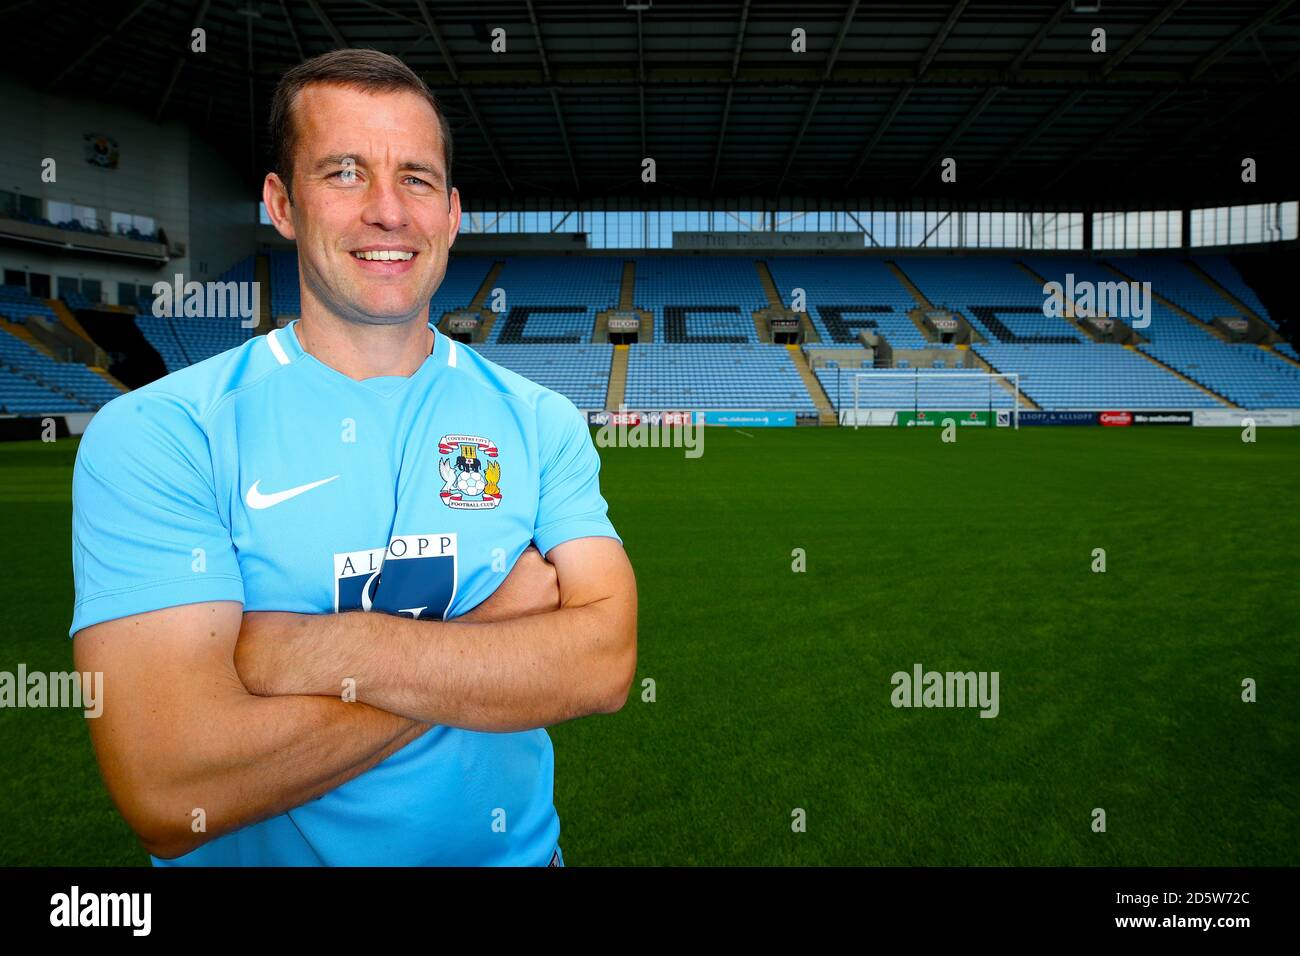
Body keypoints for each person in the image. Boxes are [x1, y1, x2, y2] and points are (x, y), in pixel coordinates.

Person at [69, 48, 637, 867]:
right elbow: (175, 789)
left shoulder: (539, 419)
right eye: (343, 172)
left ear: (450, 212)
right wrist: (494, 629)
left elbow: (605, 665)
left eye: (415, 178)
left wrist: (300, 651)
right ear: (282, 203)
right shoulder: (161, 433)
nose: (387, 211)